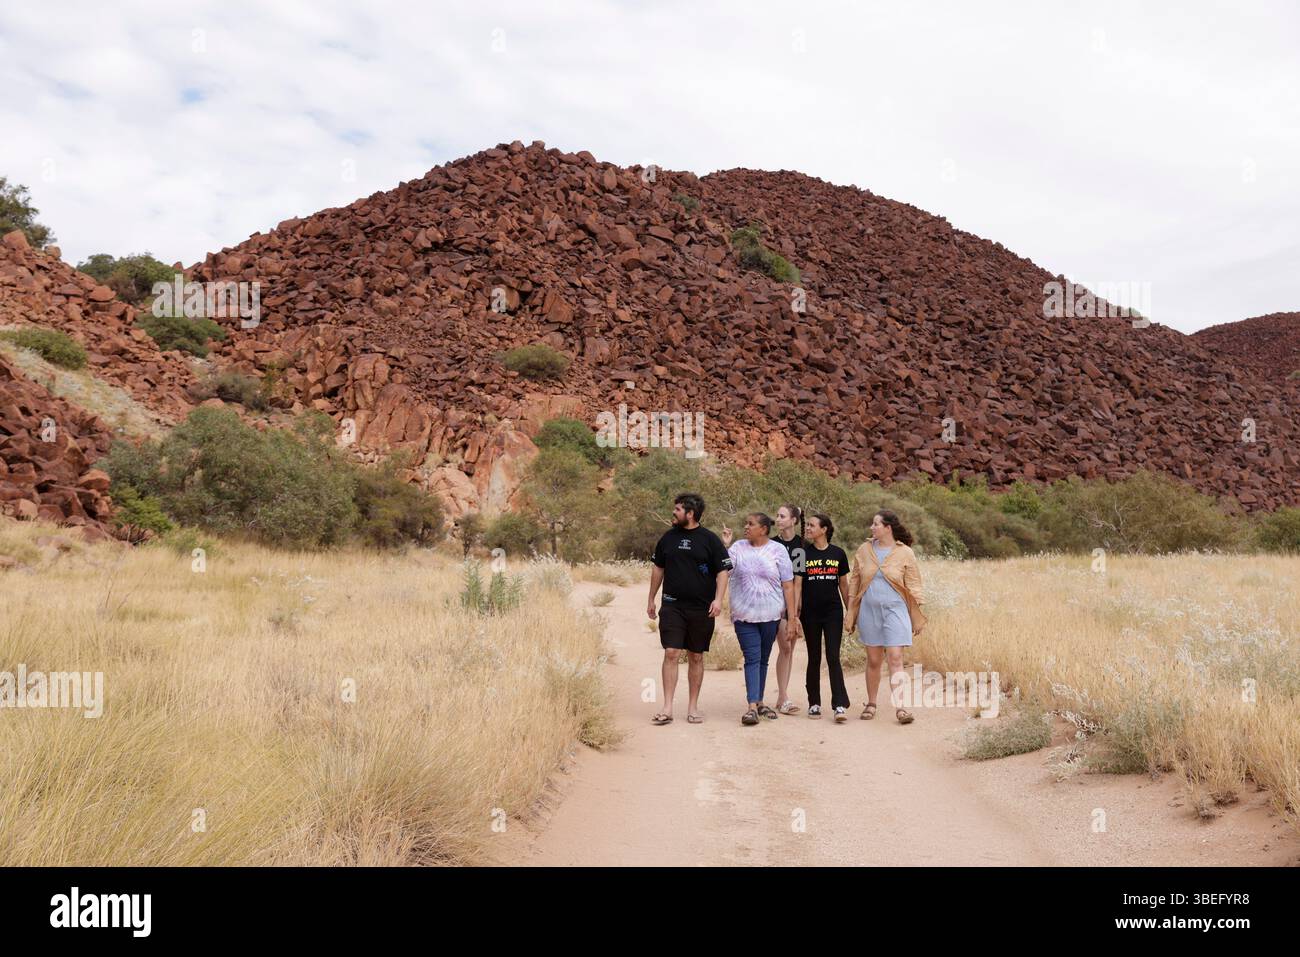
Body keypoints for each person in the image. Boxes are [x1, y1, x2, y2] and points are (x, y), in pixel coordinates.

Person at [648, 493, 731, 725]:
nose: (673, 513)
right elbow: (658, 569)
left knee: (695, 656)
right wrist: (651, 599)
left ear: (690, 513)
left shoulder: (709, 539)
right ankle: (667, 707)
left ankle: (693, 707)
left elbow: (722, 572)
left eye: (677, 509)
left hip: (701, 609)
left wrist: (718, 600)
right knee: (671, 653)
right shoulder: (668, 538)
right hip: (672, 605)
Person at [845, 510, 927, 724]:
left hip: (896, 610)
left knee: (895, 657)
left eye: (876, 524)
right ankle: (871, 704)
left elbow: (914, 584)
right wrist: (851, 610)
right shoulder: (864, 550)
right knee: (873, 660)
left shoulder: (905, 552)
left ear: (888, 528)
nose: (872, 528)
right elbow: (854, 580)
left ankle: (901, 708)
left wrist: (916, 614)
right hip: (869, 611)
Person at [721, 513, 796, 726]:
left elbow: (788, 585)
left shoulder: (778, 550)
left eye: (750, 524)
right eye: (746, 523)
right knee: (752, 658)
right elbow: (726, 569)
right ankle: (752, 706)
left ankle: (760, 701)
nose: (746, 527)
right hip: (744, 615)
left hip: (771, 616)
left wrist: (791, 619)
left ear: (763, 529)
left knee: (763, 658)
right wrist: (725, 546)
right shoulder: (737, 548)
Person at [799, 513, 851, 722]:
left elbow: (844, 585)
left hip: (833, 613)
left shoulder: (838, 553)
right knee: (814, 658)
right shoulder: (801, 553)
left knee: (832, 657)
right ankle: (814, 703)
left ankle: (839, 704)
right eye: (807, 525)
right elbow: (797, 586)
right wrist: (794, 615)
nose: (808, 528)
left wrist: (851, 613)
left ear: (824, 529)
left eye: (812, 525)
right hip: (809, 614)